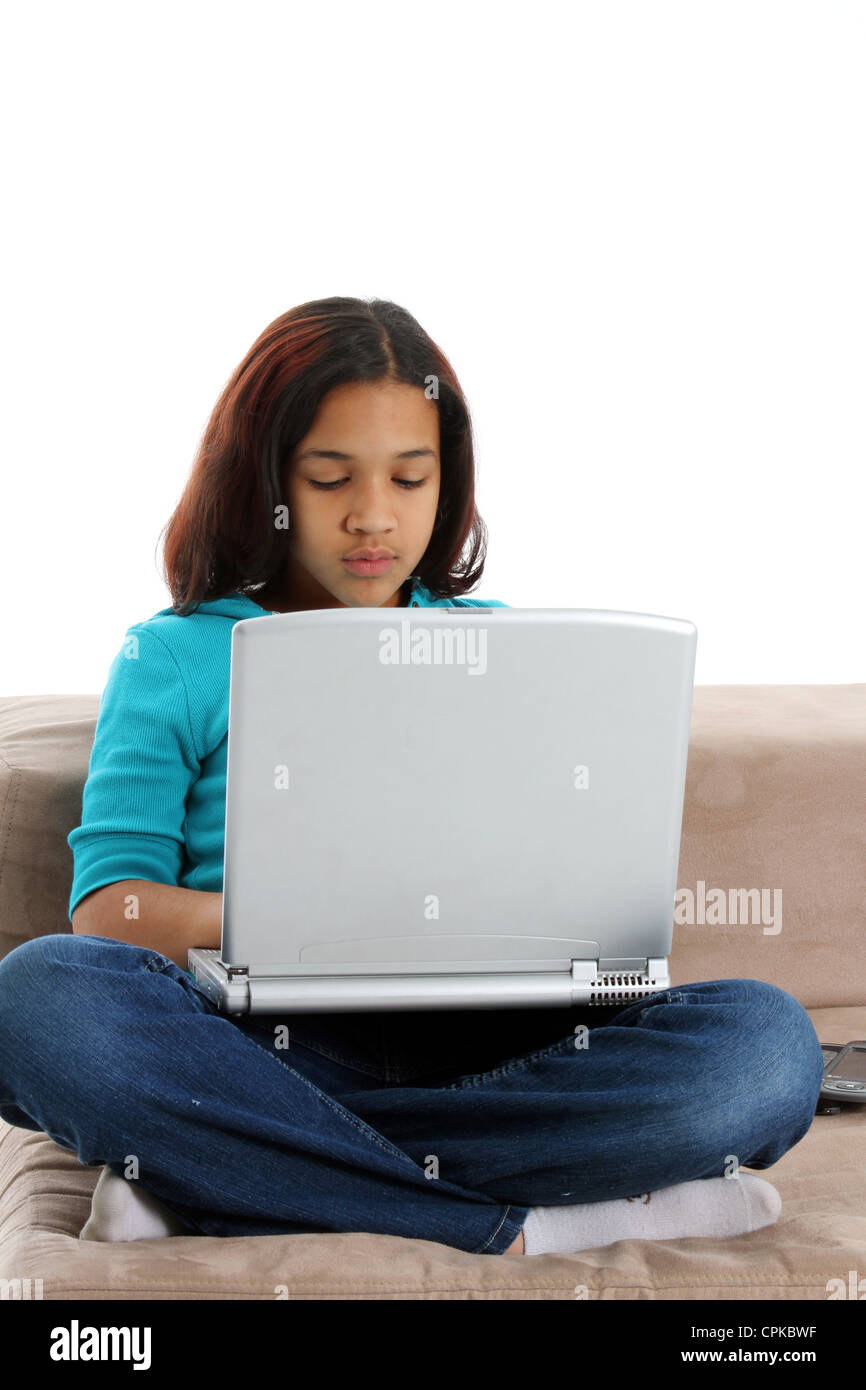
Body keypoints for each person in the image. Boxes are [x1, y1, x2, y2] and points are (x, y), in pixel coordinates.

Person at [0, 297, 824, 1256]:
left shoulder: (512, 647)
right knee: (40, 998)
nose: (373, 516)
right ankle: (530, 1224)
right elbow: (109, 913)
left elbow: (585, 871)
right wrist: (305, 918)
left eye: (410, 476)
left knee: (766, 1050)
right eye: (329, 477)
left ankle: (227, 1178)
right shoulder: (174, 657)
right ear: (263, 480)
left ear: (449, 483)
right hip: (266, 1052)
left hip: (500, 1047)